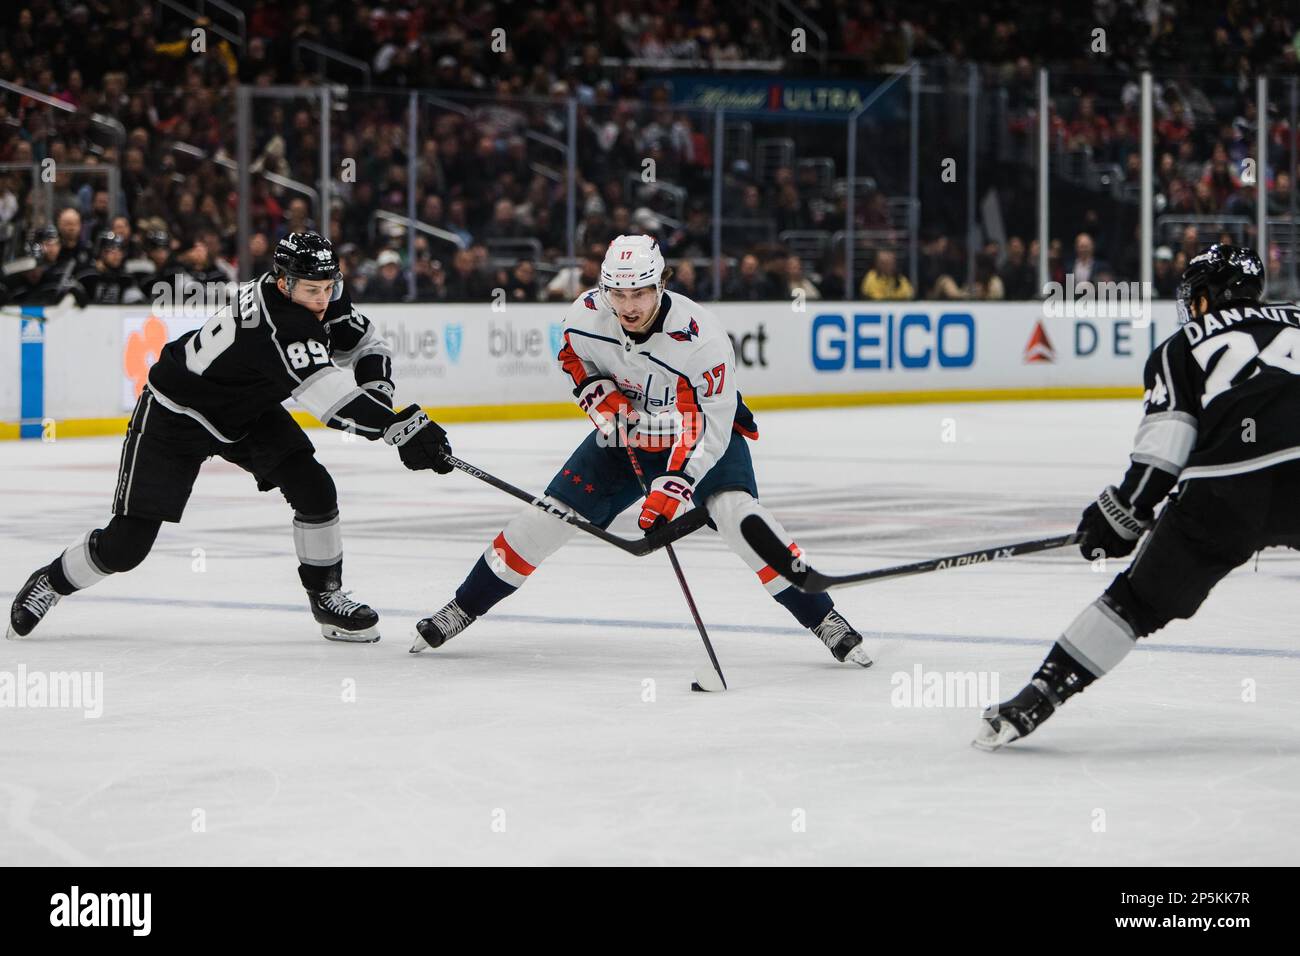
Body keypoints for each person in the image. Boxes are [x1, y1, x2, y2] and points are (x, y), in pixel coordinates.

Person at [410, 235, 872, 667]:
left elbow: (704, 427)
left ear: (662, 283)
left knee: (736, 514)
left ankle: (823, 618)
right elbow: (574, 356)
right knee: (544, 518)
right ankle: (462, 607)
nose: (628, 307)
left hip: (703, 434)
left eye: (641, 294)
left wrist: (671, 489)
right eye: (618, 294)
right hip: (627, 436)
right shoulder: (587, 314)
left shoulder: (701, 340)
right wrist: (595, 391)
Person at [7, 233, 454, 644]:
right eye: (310, 291)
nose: (321, 300)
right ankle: (51, 580)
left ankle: (326, 598)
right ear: (282, 284)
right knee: (127, 546)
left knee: (314, 488)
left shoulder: (319, 291)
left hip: (246, 409)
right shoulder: (280, 326)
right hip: (176, 413)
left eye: (327, 287)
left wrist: (382, 397)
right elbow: (332, 404)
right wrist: (399, 427)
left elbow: (367, 345)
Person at [976, 244, 1293, 750]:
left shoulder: (1181, 345)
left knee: (1135, 602)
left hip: (1231, 486)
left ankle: (1037, 698)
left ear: (1209, 296)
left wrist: (1121, 514)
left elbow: (1164, 452)